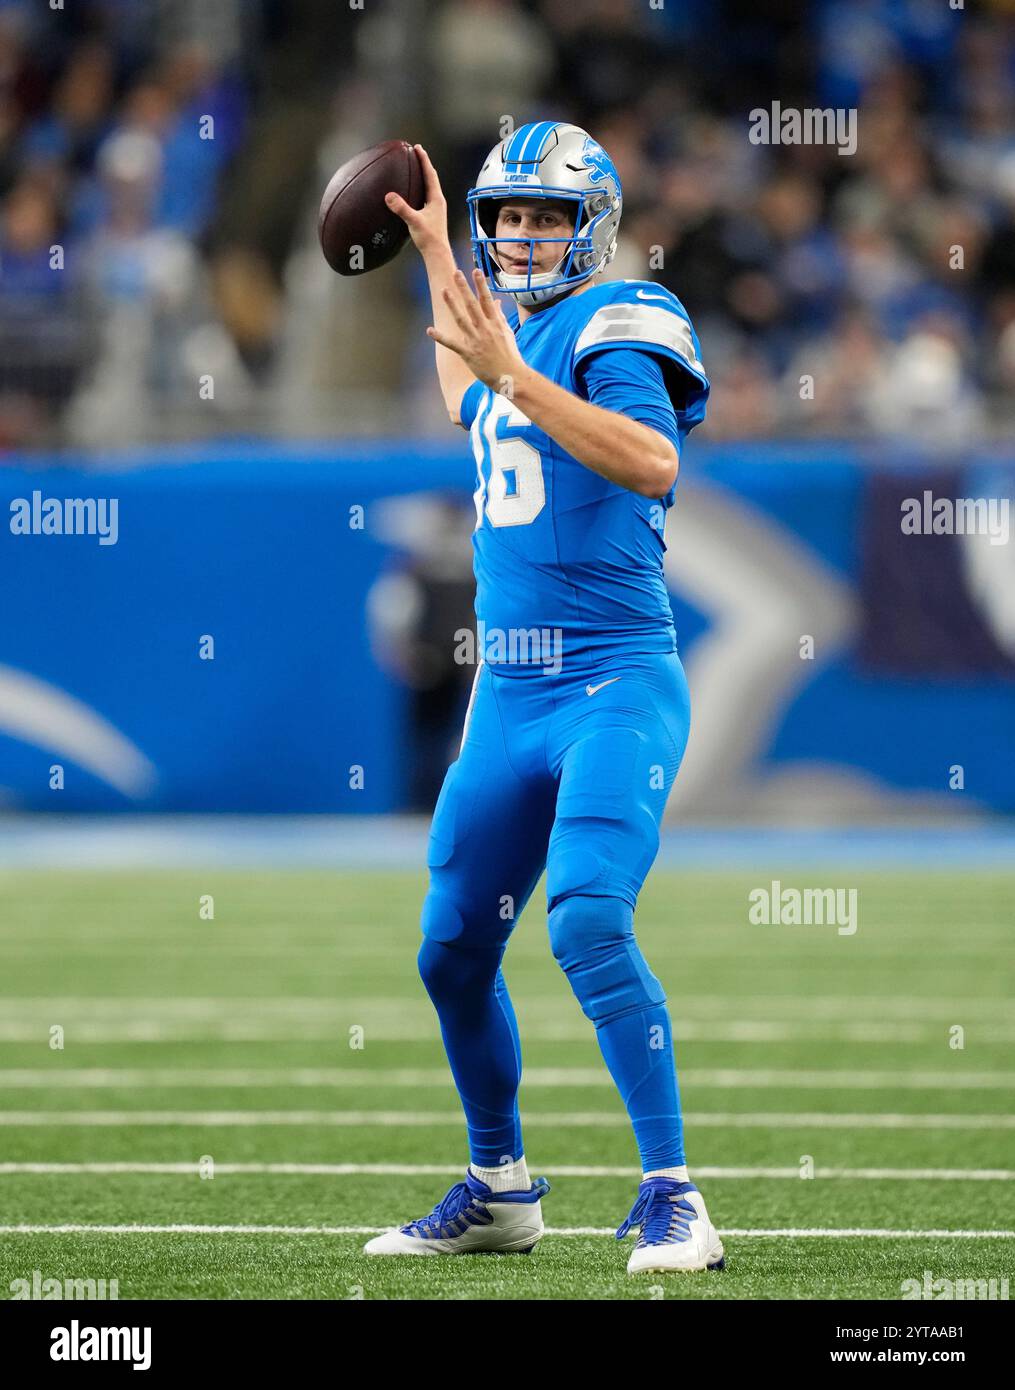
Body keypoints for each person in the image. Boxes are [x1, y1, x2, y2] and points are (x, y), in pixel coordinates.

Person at [365, 121, 721, 1275]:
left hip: (612, 677)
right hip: (508, 695)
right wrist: (430, 253)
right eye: (505, 217)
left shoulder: (626, 319)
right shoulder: (507, 336)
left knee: (585, 919)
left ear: (594, 227)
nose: (521, 236)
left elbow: (652, 460)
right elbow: (472, 397)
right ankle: (501, 1187)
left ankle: (675, 1195)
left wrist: (515, 368)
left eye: (545, 216)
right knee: (451, 951)